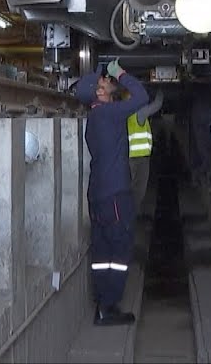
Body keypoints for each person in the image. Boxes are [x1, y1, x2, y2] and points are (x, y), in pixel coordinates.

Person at [74, 59, 147, 326]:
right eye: (104, 80)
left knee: (102, 251)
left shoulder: (93, 119)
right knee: (120, 250)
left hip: (97, 194)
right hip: (116, 193)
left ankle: (102, 303)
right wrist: (122, 73)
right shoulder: (110, 113)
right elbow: (142, 96)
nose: (107, 79)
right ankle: (110, 307)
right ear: (100, 93)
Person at [127, 90, 163, 211]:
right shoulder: (139, 114)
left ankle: (128, 214)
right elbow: (157, 105)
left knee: (131, 188)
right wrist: (161, 89)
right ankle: (131, 215)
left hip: (130, 157)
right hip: (139, 159)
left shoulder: (126, 114)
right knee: (139, 189)